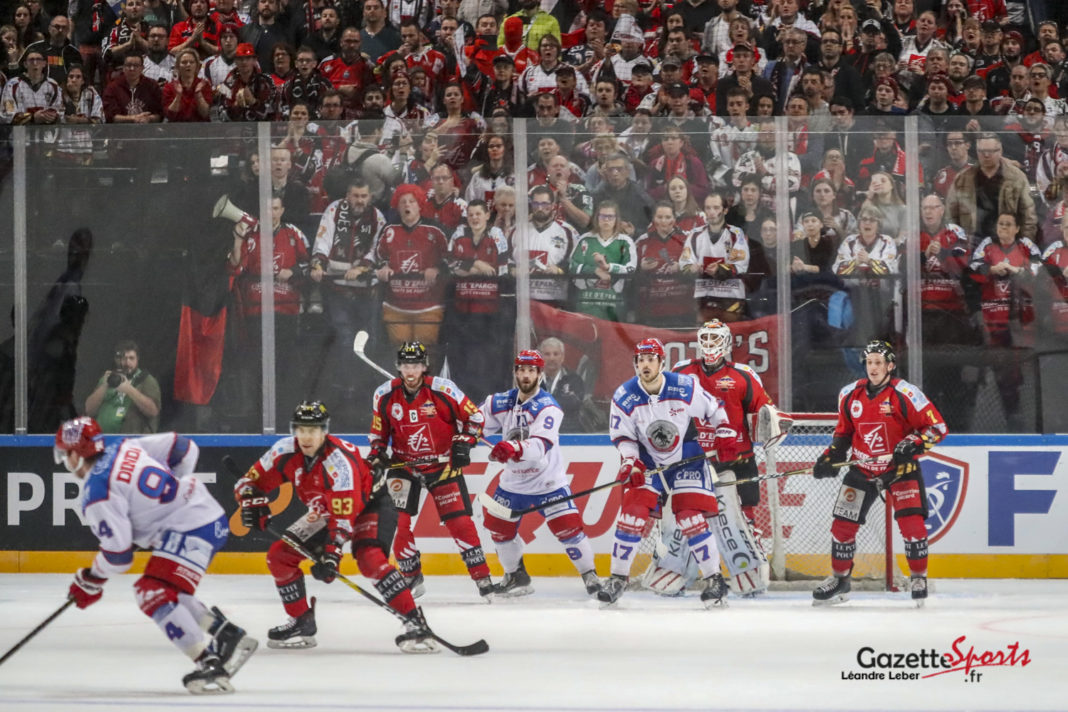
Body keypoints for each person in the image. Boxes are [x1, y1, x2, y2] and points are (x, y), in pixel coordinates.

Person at [56, 417, 257, 693]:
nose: (66, 462)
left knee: (150, 592)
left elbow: (118, 556)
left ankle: (208, 662)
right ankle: (226, 633)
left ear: (76, 454)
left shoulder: (96, 493)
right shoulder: (124, 447)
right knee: (168, 590)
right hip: (206, 513)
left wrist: (90, 579)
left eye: (66, 454)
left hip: (191, 529)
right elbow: (185, 448)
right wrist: (174, 493)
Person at [234, 401, 439, 653]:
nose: (307, 436)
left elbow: (343, 520)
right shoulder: (284, 451)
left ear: (325, 431)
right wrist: (251, 501)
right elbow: (247, 482)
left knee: (370, 559)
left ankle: (415, 622)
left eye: (313, 430)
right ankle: (301, 621)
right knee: (280, 556)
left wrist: (331, 556)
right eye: (301, 429)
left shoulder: (340, 463)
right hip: (326, 510)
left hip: (370, 506)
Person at [811, 340, 948, 606]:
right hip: (862, 469)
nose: (873, 368)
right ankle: (840, 580)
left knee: (913, 526)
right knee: (842, 527)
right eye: (869, 362)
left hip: (900, 470)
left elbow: (937, 428)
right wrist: (831, 457)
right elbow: (843, 433)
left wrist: (913, 444)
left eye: (878, 362)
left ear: (890, 366)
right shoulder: (850, 394)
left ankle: (918, 576)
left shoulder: (906, 393)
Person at [598, 338, 733, 608]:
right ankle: (617, 579)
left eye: (651, 359)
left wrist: (725, 433)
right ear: (635, 364)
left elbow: (714, 408)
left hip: (686, 456)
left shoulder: (683, 386)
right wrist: (631, 463)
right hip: (647, 460)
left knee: (689, 517)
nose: (645, 364)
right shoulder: (624, 396)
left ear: (662, 362)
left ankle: (714, 579)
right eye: (640, 360)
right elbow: (624, 436)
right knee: (632, 516)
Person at [368, 342, 495, 600]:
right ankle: (412, 575)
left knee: (459, 523)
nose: (410, 370)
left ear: (424, 366)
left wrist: (463, 443)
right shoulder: (384, 395)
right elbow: (378, 435)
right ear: (398, 367)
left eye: (415, 365)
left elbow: (475, 419)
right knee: (396, 523)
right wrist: (378, 454)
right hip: (404, 466)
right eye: (405, 365)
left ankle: (482, 577)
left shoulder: (443, 390)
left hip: (442, 466)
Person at [480, 350, 602, 598]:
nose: (526, 375)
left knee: (568, 528)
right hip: (513, 483)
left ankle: (591, 576)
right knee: (498, 527)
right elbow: (476, 422)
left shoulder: (549, 407)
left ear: (540, 373)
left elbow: (538, 447)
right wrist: (463, 425)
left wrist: (511, 447)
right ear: (515, 372)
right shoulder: (500, 402)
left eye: (531, 370)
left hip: (548, 482)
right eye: (522, 370)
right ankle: (516, 577)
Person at [84, 339, 161, 434]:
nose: (127, 363)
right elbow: (89, 410)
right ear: (117, 360)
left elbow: (153, 411)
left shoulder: (146, 380)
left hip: (130, 440)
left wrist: (129, 390)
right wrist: (104, 386)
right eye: (124, 358)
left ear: (137, 359)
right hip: (102, 438)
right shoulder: (108, 378)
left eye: (131, 358)